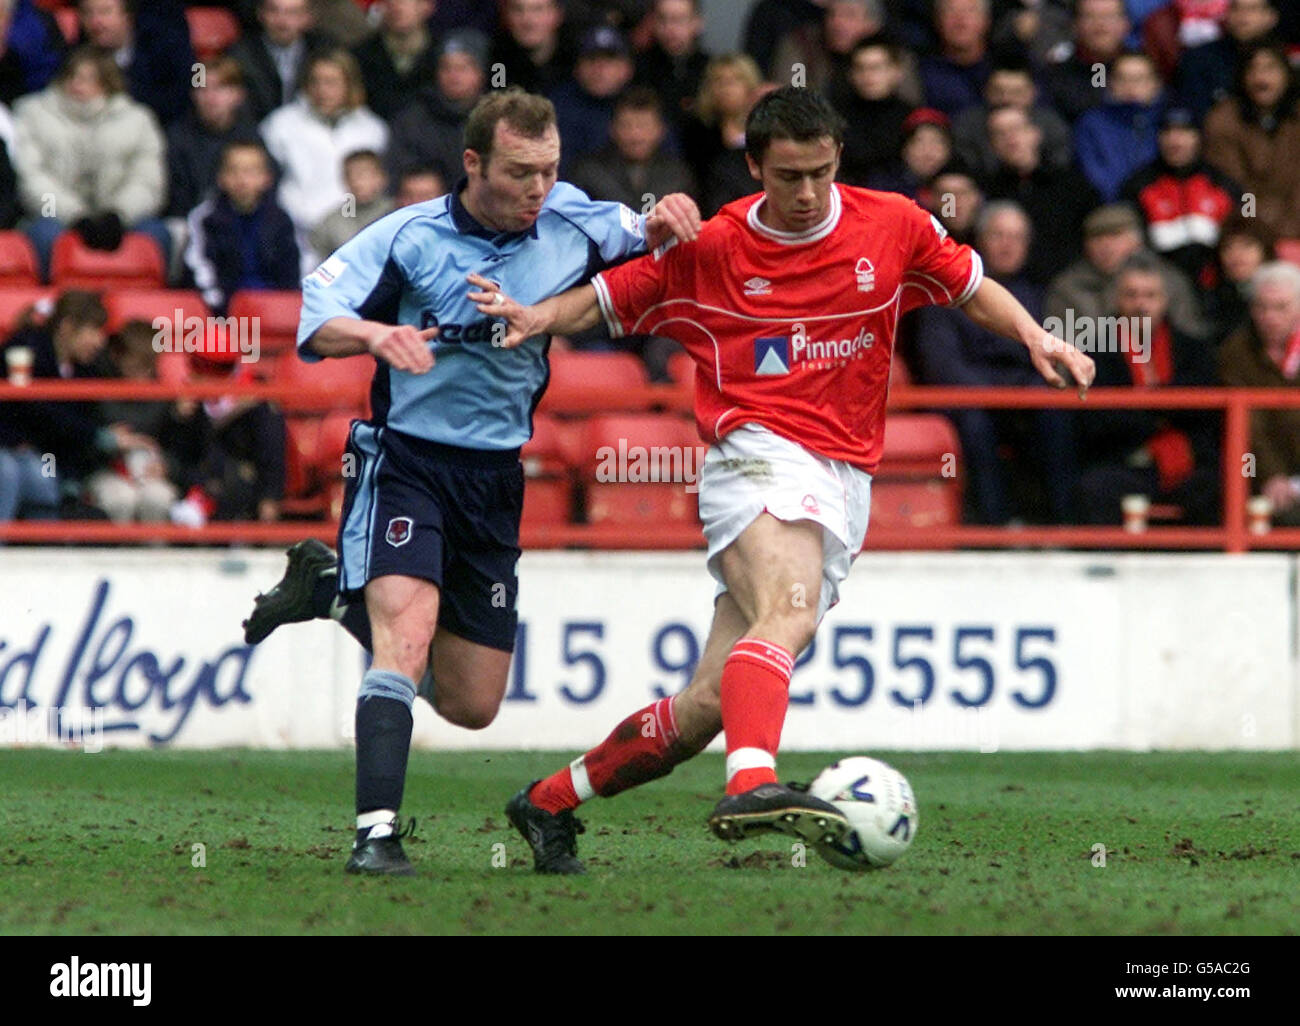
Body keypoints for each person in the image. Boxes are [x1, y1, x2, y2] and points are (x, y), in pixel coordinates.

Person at [471, 87, 1095, 873]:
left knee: (706, 705)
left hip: (844, 474)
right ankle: (751, 784)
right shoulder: (715, 246)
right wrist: (534, 317)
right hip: (756, 454)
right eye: (789, 176)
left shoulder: (893, 223)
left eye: (821, 174)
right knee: (789, 611)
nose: (806, 193)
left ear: (839, 161)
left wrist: (1037, 335)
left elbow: (972, 287)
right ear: (754, 168)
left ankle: (548, 802)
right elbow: (606, 299)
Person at [239, 88, 701, 876]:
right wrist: (375, 333)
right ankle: (375, 837)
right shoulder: (410, 236)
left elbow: (654, 242)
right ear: (474, 163)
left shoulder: (574, 219)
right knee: (406, 639)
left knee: (472, 703)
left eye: (549, 170)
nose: (537, 188)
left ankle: (328, 592)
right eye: (520, 172)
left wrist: (674, 214)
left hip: (494, 479)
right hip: (407, 463)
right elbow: (317, 318)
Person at [1074, 253, 1221, 525]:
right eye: (1131, 295)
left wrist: (1140, 407)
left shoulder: (1193, 349)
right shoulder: (1095, 351)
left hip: (1186, 460)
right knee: (1093, 488)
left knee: (1218, 486)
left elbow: (1204, 413)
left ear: (1164, 301)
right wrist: (1164, 408)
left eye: (1150, 295)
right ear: (1117, 299)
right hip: (1122, 461)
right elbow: (1097, 421)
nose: (1141, 304)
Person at [11, 47, 168, 279]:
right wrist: (75, 216)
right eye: (72, 76)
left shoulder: (139, 120)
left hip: (120, 217)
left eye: (89, 78)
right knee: (44, 234)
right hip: (55, 215)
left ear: (108, 82)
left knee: (157, 234)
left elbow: (148, 182)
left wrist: (118, 215)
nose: (77, 84)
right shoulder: (32, 113)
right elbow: (31, 178)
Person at [259, 48, 389, 273]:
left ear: (349, 85)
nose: (322, 90)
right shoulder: (280, 126)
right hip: (296, 234)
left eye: (331, 82)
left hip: (355, 236)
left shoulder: (372, 130)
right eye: (315, 82)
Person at [1121, 106, 1241, 292]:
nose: (1175, 141)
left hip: (1218, 285)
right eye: (1167, 132)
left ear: (1198, 137)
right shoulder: (1138, 186)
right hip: (1158, 287)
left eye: (1184, 132)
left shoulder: (1222, 183)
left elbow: (1246, 221)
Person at [1218, 261, 1300, 524]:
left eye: (1281, 307)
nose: (1270, 317)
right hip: (1256, 469)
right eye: (1262, 307)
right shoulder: (1235, 352)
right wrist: (1271, 475)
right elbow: (1249, 425)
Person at [184, 140, 301, 314]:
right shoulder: (204, 218)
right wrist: (222, 308)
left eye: (250, 172)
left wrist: (286, 307)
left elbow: (296, 269)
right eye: (233, 171)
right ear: (220, 177)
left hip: (276, 310)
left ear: (266, 178)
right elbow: (200, 269)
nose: (242, 180)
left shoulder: (283, 219)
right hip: (223, 313)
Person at [1202, 40, 1300, 241]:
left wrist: (1291, 231)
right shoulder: (1223, 119)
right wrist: (1255, 228)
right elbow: (1236, 187)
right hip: (1247, 230)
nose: (1261, 78)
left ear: (1287, 75)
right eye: (1253, 69)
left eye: (1270, 68)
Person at [76, 0, 195, 126]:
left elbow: (188, 86)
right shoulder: (78, 56)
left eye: (105, 12)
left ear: (127, 16)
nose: (95, 22)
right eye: (87, 13)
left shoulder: (164, 48)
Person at [229, 0, 330, 124]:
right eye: (273, 11)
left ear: (308, 18)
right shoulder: (240, 55)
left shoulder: (323, 51)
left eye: (292, 12)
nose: (282, 21)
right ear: (260, 14)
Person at [350, 0, 437, 123]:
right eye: (389, 2)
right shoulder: (360, 56)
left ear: (426, 6)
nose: (396, 8)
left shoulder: (443, 55)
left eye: (404, 2)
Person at [310, 149, 394, 257]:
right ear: (345, 181)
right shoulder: (331, 223)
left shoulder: (397, 213)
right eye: (352, 176)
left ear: (382, 178)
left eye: (365, 175)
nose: (359, 182)